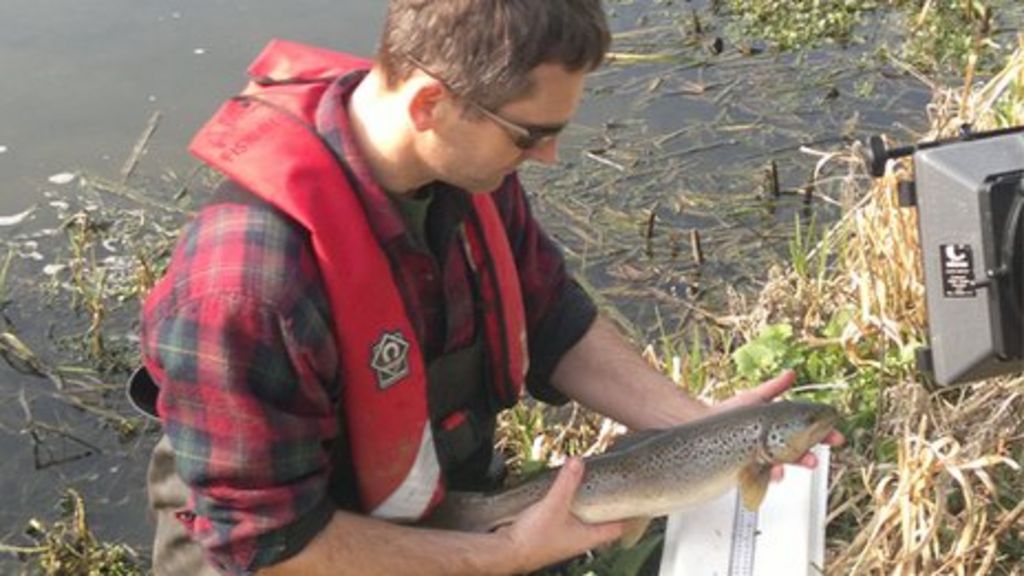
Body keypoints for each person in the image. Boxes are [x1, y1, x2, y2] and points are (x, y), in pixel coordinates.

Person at [133, 1, 843, 575]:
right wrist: (505, 555)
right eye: (530, 134)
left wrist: (703, 430)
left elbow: (554, 319)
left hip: (443, 514)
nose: (549, 155)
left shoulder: (467, 170)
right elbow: (271, 547)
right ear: (431, 104)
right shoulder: (243, 292)